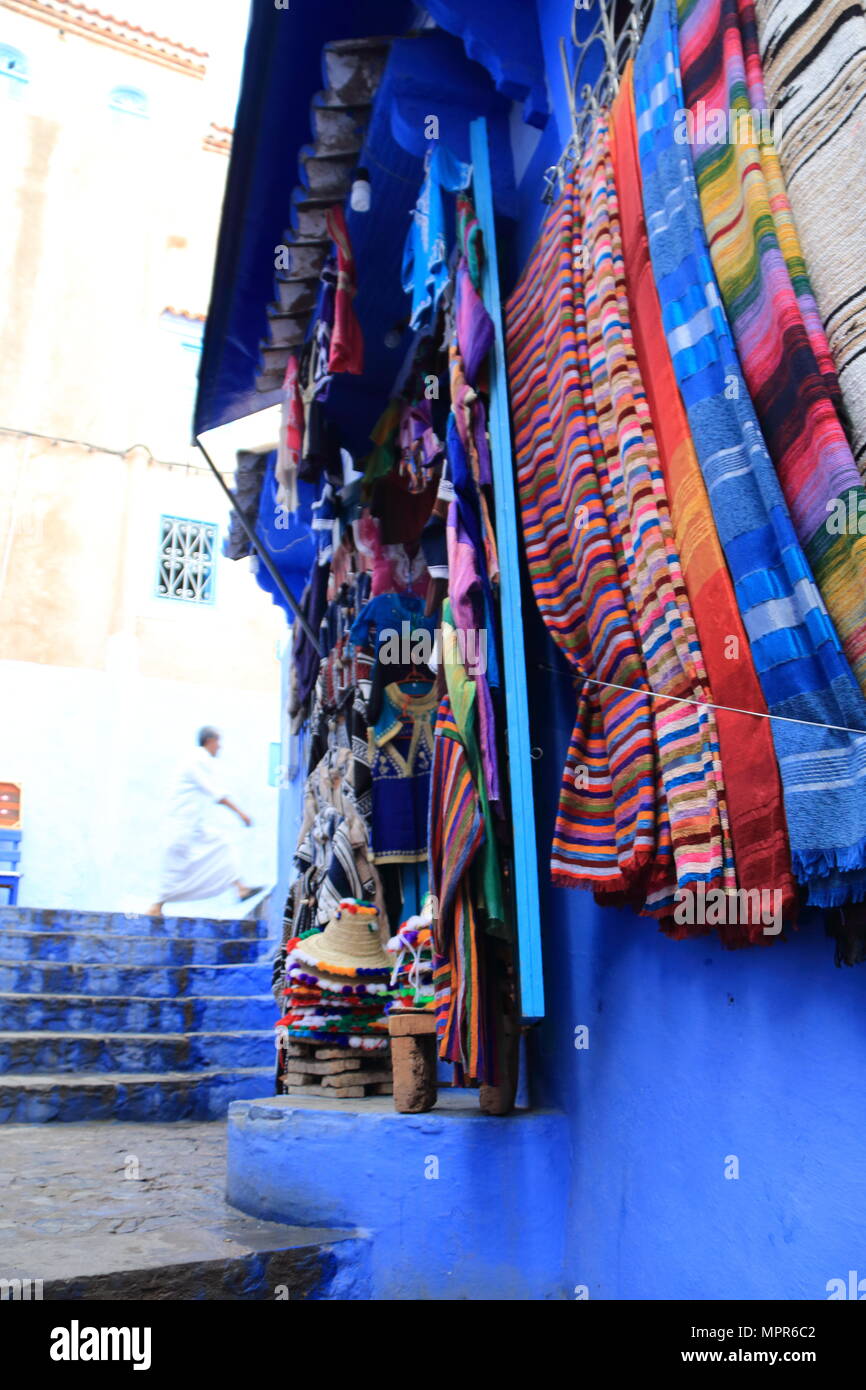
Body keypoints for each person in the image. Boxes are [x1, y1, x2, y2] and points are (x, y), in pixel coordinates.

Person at [147, 727, 261, 916]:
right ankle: (156, 905)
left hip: (193, 824)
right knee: (176, 866)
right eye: (218, 742)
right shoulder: (197, 760)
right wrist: (241, 814)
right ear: (209, 741)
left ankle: (240, 887)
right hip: (181, 824)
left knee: (221, 845)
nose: (220, 747)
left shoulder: (199, 760)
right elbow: (215, 791)